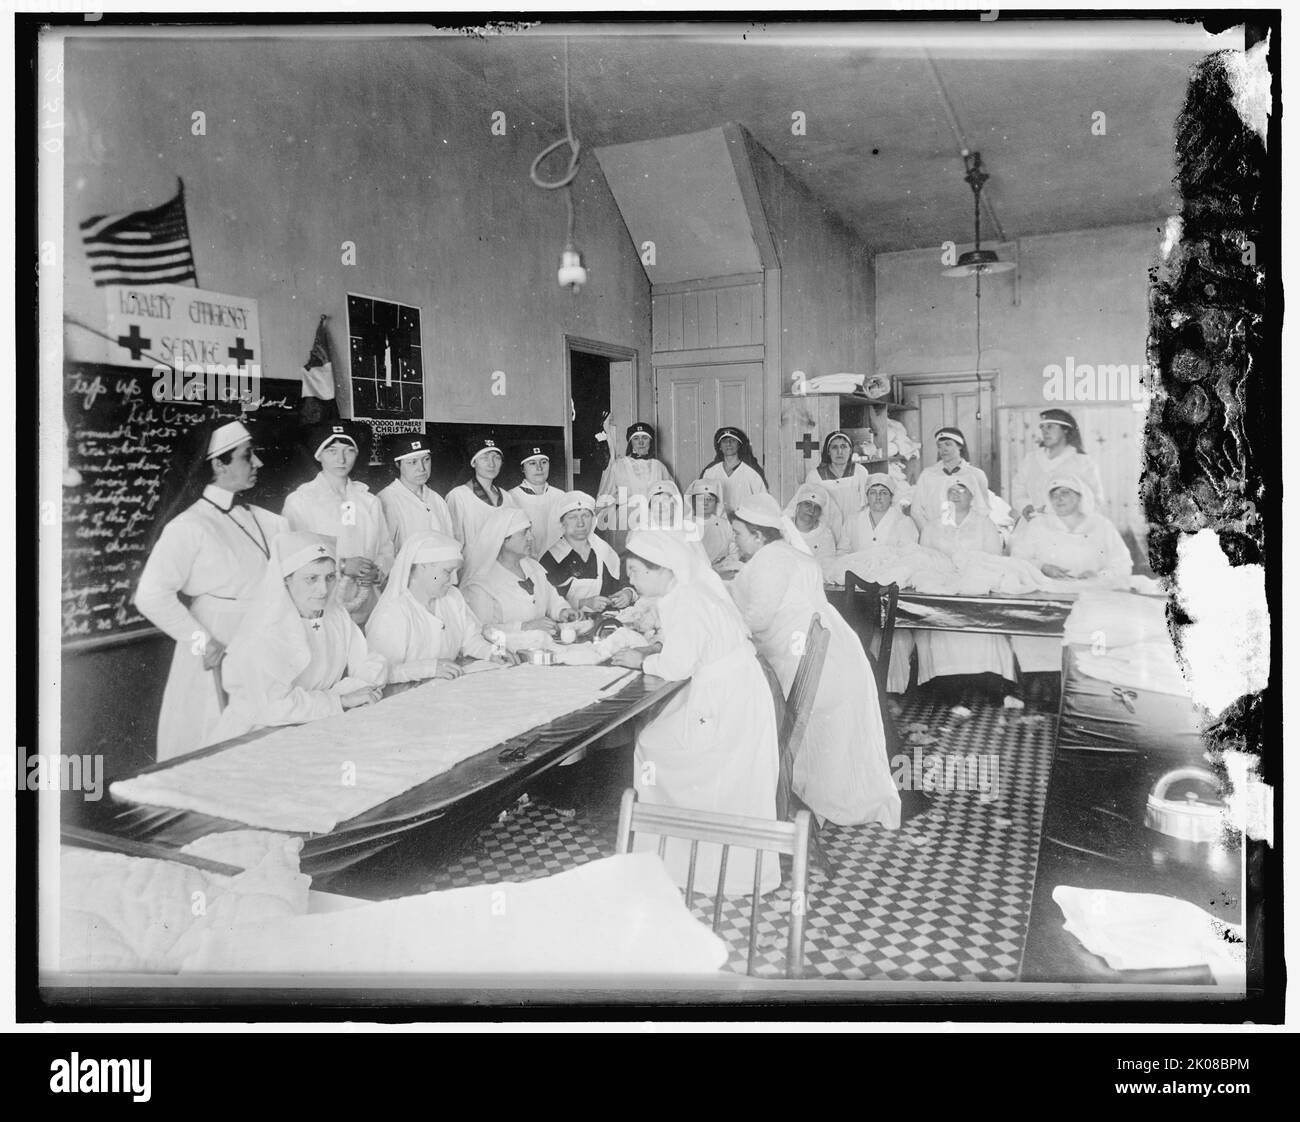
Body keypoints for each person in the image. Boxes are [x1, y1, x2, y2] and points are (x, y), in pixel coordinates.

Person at [609, 528, 781, 895]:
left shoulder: (685, 600)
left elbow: (676, 667)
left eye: (636, 572)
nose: (631, 580)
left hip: (728, 703)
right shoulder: (689, 592)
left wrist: (641, 662)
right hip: (735, 694)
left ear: (663, 570)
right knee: (659, 733)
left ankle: (680, 861)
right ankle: (677, 853)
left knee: (651, 744)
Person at [729, 495, 901, 829]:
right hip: (836, 656)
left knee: (751, 698)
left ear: (758, 536)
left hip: (811, 664)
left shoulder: (769, 560)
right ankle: (821, 794)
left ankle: (766, 796)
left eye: (738, 534)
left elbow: (759, 619)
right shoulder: (793, 554)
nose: (734, 542)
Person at [135, 420, 288, 760]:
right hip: (217, 642)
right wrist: (201, 642)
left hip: (261, 639)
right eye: (248, 456)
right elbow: (150, 594)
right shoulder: (189, 526)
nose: (258, 463)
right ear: (219, 464)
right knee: (212, 743)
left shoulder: (266, 520)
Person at [209, 532, 389, 745]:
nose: (323, 590)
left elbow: (373, 663)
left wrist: (341, 696)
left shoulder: (335, 615)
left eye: (330, 577)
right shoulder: (267, 629)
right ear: (286, 580)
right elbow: (273, 707)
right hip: (256, 734)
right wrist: (340, 699)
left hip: (317, 721)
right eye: (311, 579)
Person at [1010, 476, 1134, 680]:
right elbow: (1019, 558)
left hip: (1091, 595)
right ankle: (1042, 681)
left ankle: (1087, 679)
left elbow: (1122, 564)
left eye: (1065, 493)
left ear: (1079, 497)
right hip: (1047, 593)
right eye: (1054, 495)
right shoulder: (1038, 525)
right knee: (1036, 637)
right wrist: (1043, 567)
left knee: (1094, 637)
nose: (1058, 499)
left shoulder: (1101, 525)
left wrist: (1099, 574)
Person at [914, 471, 1016, 701]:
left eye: (962, 490)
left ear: (972, 496)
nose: (956, 494)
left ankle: (990, 685)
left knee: (983, 633)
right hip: (942, 595)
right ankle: (950, 688)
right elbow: (923, 561)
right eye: (952, 490)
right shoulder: (932, 526)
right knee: (943, 632)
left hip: (976, 593)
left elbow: (994, 561)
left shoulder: (985, 525)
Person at [282, 421, 394, 624]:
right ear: (319, 455)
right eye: (332, 451)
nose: (341, 459)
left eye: (348, 451)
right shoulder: (301, 500)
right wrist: (342, 565)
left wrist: (377, 571)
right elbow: (292, 555)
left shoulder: (369, 501)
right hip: (323, 602)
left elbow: (386, 549)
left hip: (367, 602)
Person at [365, 530, 505, 682]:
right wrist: (428, 669)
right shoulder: (393, 612)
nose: (453, 579)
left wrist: (492, 652)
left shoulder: (452, 598)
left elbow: (470, 639)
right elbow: (377, 674)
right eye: (448, 571)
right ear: (422, 567)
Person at [461, 506, 579, 633]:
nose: (531, 538)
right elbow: (479, 632)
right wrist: (525, 627)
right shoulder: (480, 585)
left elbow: (551, 599)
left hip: (542, 646)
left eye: (530, 531)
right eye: (524, 533)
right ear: (504, 540)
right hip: (505, 651)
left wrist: (562, 611)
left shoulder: (534, 568)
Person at [540, 491, 636, 612]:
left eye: (585, 515)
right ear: (562, 522)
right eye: (573, 517)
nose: (580, 523)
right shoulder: (551, 559)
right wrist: (582, 603)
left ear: (593, 520)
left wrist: (627, 594)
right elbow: (542, 603)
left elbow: (625, 582)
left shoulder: (604, 551)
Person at [1010, 408, 1106, 526]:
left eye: (1050, 427)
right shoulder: (1031, 459)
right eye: (1042, 427)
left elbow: (1096, 499)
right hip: (1033, 525)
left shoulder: (1083, 462)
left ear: (1065, 429)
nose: (1044, 432)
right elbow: (1018, 488)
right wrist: (1025, 506)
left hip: (1069, 529)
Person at [596, 420, 671, 546]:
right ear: (630, 442)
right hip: (624, 524)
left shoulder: (659, 467)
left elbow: (671, 497)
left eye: (644, 438)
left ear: (650, 441)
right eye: (636, 438)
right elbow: (604, 497)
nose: (641, 442)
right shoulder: (617, 466)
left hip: (653, 525)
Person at [377, 434, 454, 554]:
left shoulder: (437, 500)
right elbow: (383, 555)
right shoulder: (387, 499)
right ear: (398, 465)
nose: (422, 468)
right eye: (412, 462)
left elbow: (450, 547)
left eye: (426, 460)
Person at [910, 426, 993, 532]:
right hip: (934, 536)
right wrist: (928, 532)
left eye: (948, 444)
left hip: (967, 536)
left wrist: (969, 534)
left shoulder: (976, 475)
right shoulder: (928, 475)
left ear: (960, 446)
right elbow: (916, 511)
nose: (943, 450)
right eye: (939, 446)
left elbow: (982, 510)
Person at [445, 437, 519, 551]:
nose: (492, 464)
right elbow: (453, 542)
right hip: (472, 567)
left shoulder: (507, 497)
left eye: (496, 457)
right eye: (485, 458)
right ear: (474, 463)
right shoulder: (458, 496)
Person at [804, 429, 869, 547]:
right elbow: (811, 509)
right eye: (834, 447)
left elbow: (865, 505)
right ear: (828, 451)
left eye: (844, 447)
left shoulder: (860, 472)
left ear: (850, 450)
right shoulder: (815, 476)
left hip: (855, 531)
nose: (840, 452)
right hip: (827, 532)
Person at [508, 446, 568, 559]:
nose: (539, 468)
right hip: (525, 563)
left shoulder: (561, 496)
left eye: (544, 462)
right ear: (523, 468)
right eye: (532, 463)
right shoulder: (511, 497)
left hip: (558, 563)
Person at [699, 426, 768, 514]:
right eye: (724, 441)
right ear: (719, 446)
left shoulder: (752, 473)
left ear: (739, 445)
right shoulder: (710, 473)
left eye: (733, 440)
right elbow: (701, 503)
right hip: (717, 524)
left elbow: (764, 503)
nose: (728, 444)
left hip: (744, 524)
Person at [847, 473, 920, 552]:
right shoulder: (852, 521)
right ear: (867, 496)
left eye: (883, 493)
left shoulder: (904, 522)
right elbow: (842, 551)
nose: (878, 497)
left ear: (891, 497)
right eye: (873, 493)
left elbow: (910, 554)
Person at [685, 478, 739, 567]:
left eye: (709, 499)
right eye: (700, 499)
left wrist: (722, 566)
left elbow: (735, 552)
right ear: (693, 501)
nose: (705, 503)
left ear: (716, 502)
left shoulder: (725, 525)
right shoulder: (685, 525)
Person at [782, 481, 840, 562]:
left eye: (817, 507)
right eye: (807, 504)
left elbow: (827, 562)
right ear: (798, 506)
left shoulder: (825, 534)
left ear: (820, 513)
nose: (811, 510)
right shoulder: (783, 527)